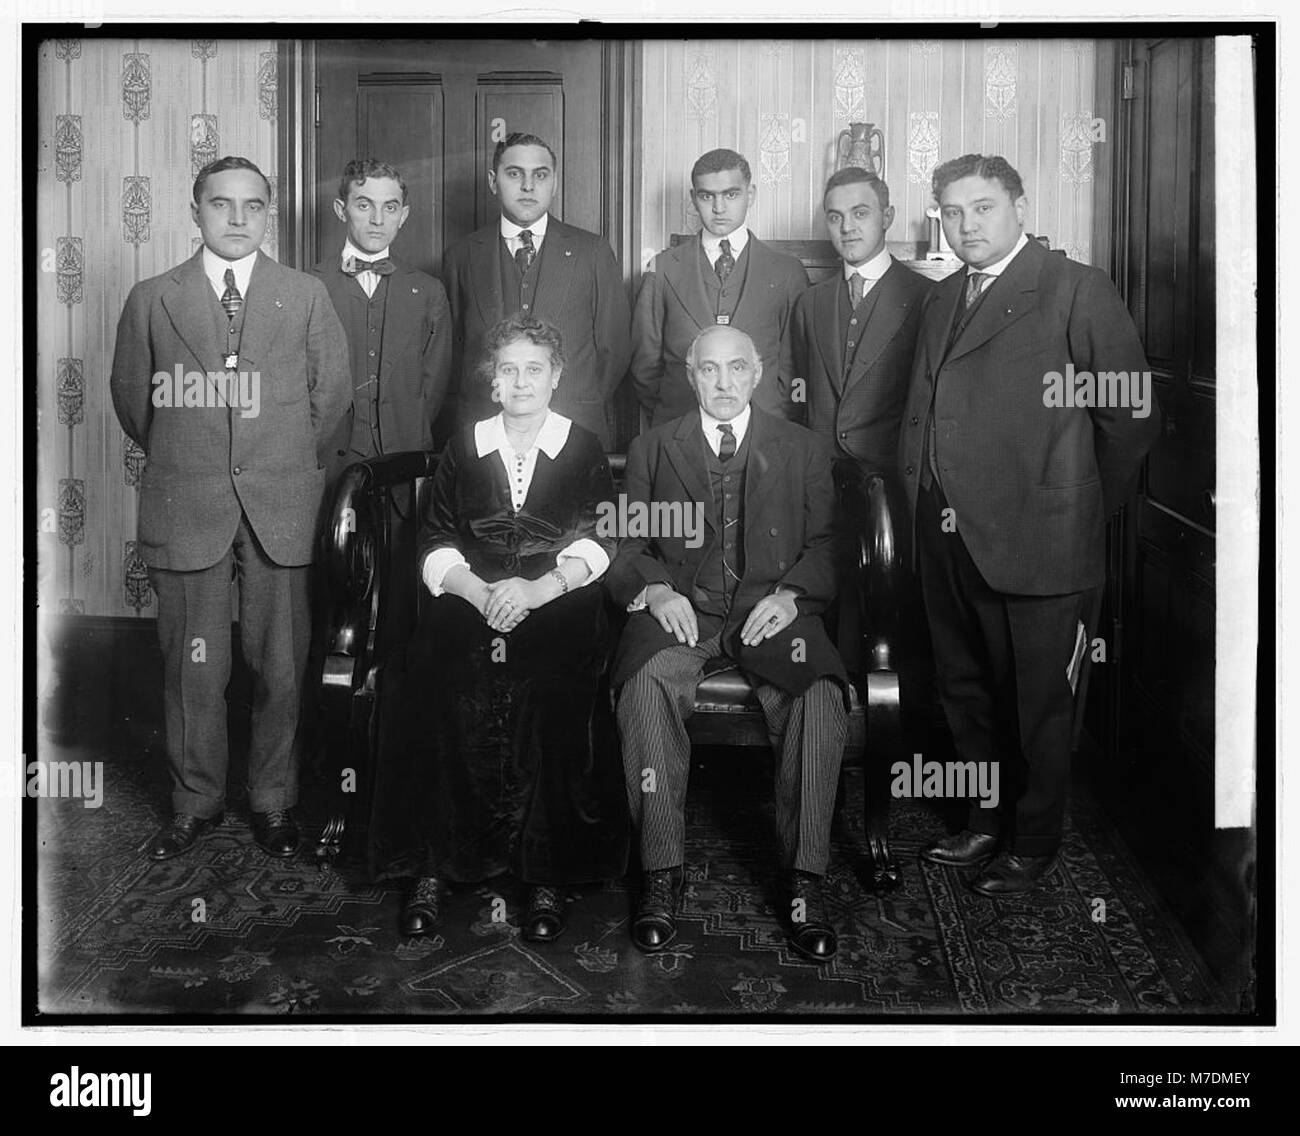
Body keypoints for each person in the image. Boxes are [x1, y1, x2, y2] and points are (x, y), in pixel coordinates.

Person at [898, 154, 1161, 895]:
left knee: (1041, 703)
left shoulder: (1076, 289)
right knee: (965, 689)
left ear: (1018, 204)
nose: (966, 225)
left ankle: (1034, 840)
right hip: (946, 536)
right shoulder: (944, 295)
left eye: (982, 207)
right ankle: (984, 822)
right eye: (952, 212)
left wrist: (1073, 508)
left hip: (1043, 543)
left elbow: (1133, 418)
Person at [110, 155, 350, 861]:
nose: (237, 218)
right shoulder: (154, 298)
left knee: (281, 666)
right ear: (196, 212)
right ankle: (195, 801)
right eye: (222, 205)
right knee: (195, 667)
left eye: (252, 206)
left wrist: (271, 453)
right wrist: (198, 454)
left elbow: (328, 397)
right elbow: (135, 402)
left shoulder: (303, 295)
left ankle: (274, 801)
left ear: (269, 213)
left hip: (281, 503)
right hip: (188, 504)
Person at [367, 313, 627, 942]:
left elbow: (602, 538)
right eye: (508, 370)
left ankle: (546, 870)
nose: (521, 381)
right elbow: (434, 542)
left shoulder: (583, 447)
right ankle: (432, 864)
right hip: (473, 593)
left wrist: (538, 589)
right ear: (492, 381)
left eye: (534, 369)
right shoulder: (465, 446)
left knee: (558, 685)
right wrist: (482, 594)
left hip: (555, 594)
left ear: (555, 377)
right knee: (431, 676)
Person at [608, 324, 848, 963]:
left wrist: (792, 594)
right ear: (690, 376)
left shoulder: (801, 448)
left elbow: (827, 546)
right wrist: (658, 591)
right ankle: (661, 873)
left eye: (735, 368)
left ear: (758, 372)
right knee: (645, 679)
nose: (722, 382)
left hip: (773, 615)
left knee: (820, 692)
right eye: (708, 370)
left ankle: (804, 882)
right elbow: (628, 547)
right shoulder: (654, 447)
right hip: (685, 612)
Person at [791, 167, 932, 668]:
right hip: (822, 485)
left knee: (885, 623)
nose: (847, 227)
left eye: (860, 213)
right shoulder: (810, 302)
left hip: (891, 488)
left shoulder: (925, 298)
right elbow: (798, 394)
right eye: (835, 217)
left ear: (887, 217)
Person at [442, 132, 631, 448]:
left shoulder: (593, 252)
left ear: (554, 183)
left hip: (574, 430)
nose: (528, 186)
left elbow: (614, 351)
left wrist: (574, 400)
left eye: (540, 175)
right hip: (486, 432)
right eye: (514, 173)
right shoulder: (462, 256)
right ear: (493, 180)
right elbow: (453, 356)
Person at [631, 148, 809, 427]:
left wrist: (783, 417)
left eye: (731, 194)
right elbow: (645, 364)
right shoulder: (662, 269)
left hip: (764, 431)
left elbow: (798, 369)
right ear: (693, 198)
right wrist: (672, 409)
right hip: (680, 426)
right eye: (706, 196)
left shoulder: (787, 272)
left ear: (750, 195)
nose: (718, 207)